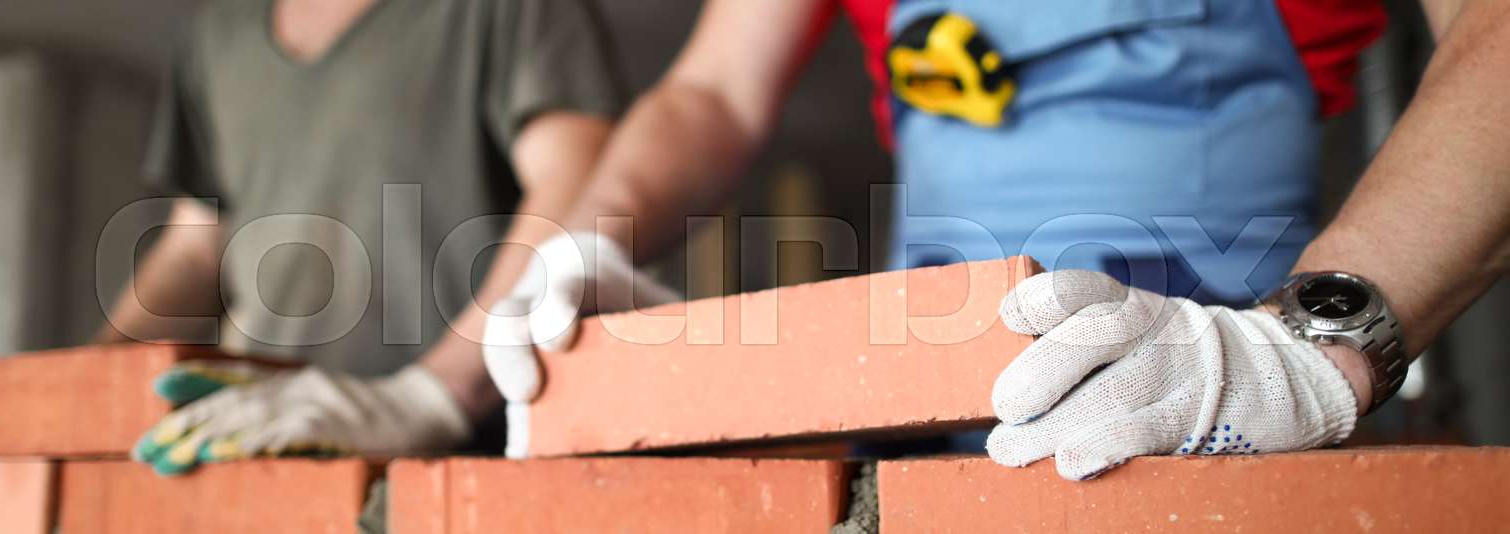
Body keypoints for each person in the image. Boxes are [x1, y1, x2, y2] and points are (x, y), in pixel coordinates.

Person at [480, 0, 1510, 480]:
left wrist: (1307, 351)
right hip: (916, 442)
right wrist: (582, 246)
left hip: (1221, 419)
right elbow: (710, 89)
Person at [95, 0, 624, 475]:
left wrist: (433, 396)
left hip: (459, 461)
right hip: (264, 440)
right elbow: (196, 246)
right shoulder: (217, 34)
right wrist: (78, 384)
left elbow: (576, 180)